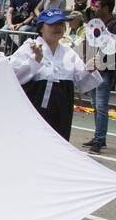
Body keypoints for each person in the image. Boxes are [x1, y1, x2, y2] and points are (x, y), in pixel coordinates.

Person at [9, 8, 102, 140]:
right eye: (52, 25)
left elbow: (82, 81)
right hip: (34, 106)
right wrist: (36, 59)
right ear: (41, 28)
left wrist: (90, 68)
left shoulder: (68, 52)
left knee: (59, 143)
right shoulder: (29, 46)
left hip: (61, 109)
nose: (57, 28)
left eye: (60, 24)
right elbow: (14, 76)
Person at [82, 0, 116, 154]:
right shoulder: (99, 24)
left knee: (100, 106)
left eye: (98, 6)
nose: (95, 9)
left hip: (106, 71)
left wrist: (103, 60)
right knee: (95, 104)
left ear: (106, 8)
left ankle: (99, 140)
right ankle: (99, 137)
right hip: (96, 69)